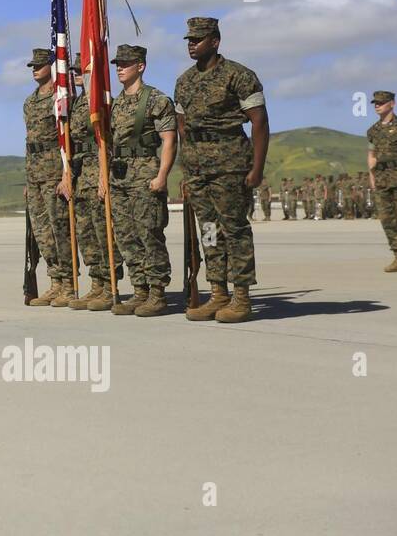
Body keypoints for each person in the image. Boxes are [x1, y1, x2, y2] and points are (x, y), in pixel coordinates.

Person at [174, 17, 269, 324]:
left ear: (215, 41)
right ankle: (218, 293)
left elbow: (259, 122)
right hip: (198, 167)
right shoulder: (184, 81)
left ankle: (241, 297)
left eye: (198, 39)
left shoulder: (239, 76)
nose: (191, 44)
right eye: (189, 39)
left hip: (230, 164)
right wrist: (187, 171)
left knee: (234, 229)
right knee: (210, 231)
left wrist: (257, 168)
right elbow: (182, 127)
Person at [105, 45, 177, 316]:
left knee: (150, 234)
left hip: (145, 174)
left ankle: (157, 293)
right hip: (119, 176)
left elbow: (169, 140)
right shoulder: (116, 103)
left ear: (141, 66)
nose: (119, 68)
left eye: (125, 63)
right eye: (117, 64)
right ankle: (140, 291)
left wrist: (162, 176)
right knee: (126, 236)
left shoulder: (156, 99)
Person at [62, 54, 122, 310]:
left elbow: (108, 140)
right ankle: (96, 283)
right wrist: (67, 176)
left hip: (97, 172)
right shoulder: (75, 105)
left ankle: (110, 285)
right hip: (80, 176)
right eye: (74, 72)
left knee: (103, 231)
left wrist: (103, 175)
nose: (76, 76)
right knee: (86, 234)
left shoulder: (102, 102)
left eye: (80, 71)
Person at [21, 47, 73, 307]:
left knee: (59, 228)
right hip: (35, 173)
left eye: (38, 65)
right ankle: (54, 282)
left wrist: (66, 173)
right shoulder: (29, 102)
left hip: (54, 172)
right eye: (32, 66)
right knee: (42, 233)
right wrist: (28, 180)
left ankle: (68, 283)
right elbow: (29, 141)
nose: (34, 69)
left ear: (51, 67)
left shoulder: (61, 98)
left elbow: (67, 139)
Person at [366, 90, 397, 272]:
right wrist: (372, 177)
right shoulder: (373, 131)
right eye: (375, 103)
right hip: (383, 178)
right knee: (387, 219)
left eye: (381, 103)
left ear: (392, 103)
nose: (378, 106)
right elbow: (371, 156)